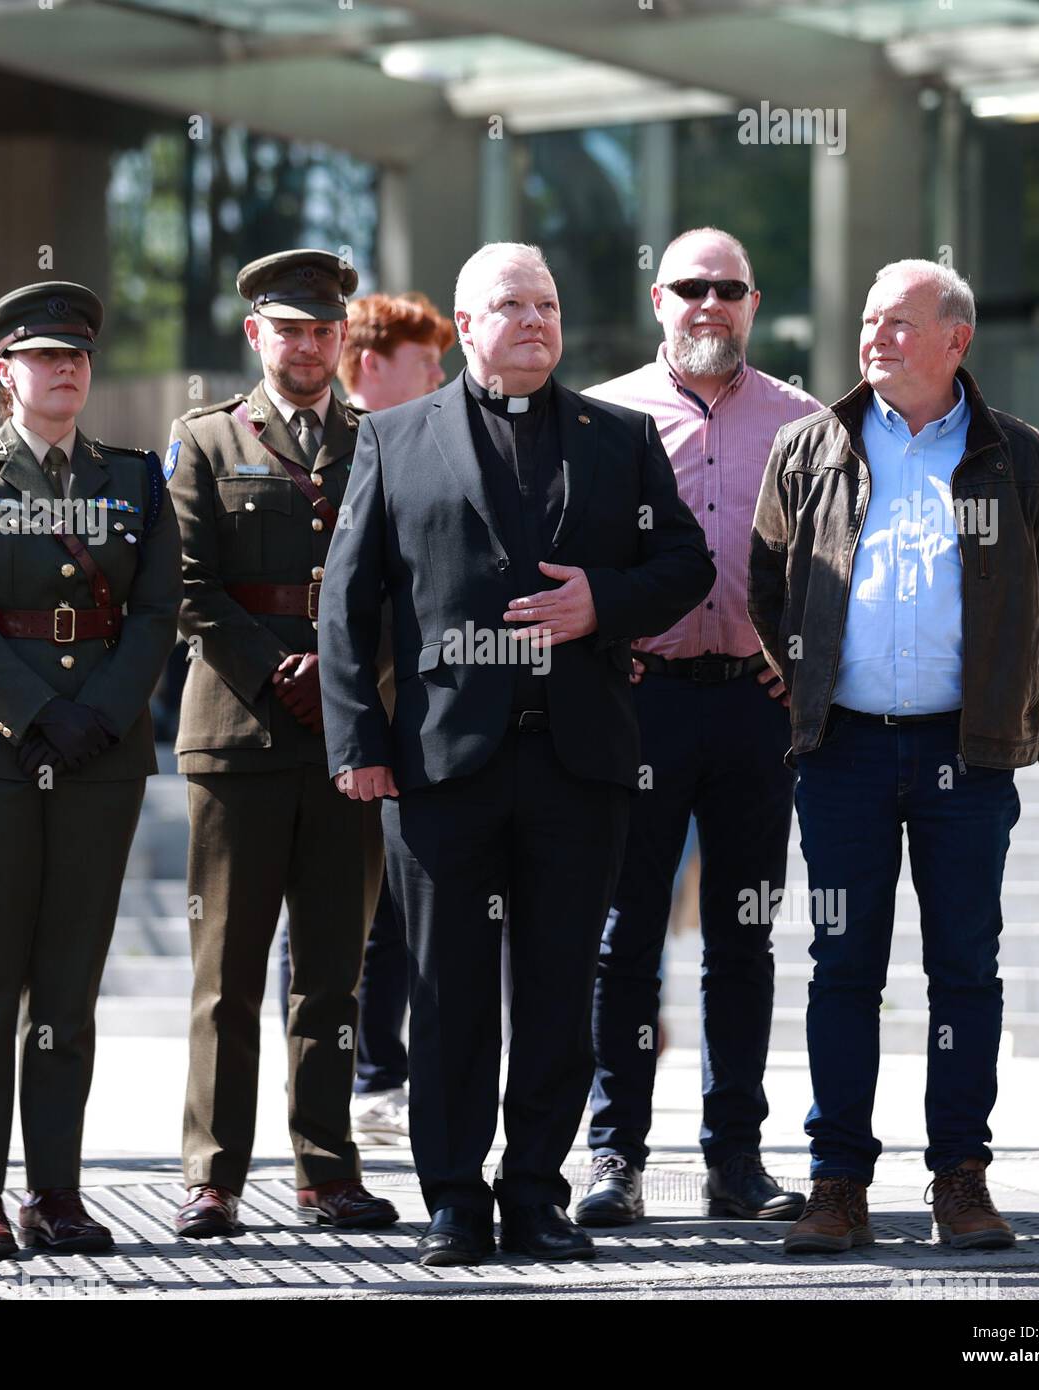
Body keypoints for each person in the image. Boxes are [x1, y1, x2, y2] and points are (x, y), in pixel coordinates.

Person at [318, 242, 715, 1266]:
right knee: (445, 993)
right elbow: (346, 601)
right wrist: (357, 739)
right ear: (464, 322)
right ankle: (453, 1195)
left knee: (555, 989)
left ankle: (534, 1191)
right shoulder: (395, 439)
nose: (535, 319)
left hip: (578, 765)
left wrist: (604, 602)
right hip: (441, 767)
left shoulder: (619, 439)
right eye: (511, 304)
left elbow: (684, 562)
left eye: (547, 302)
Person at [747, 259, 1039, 1253]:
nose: (875, 338)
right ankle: (836, 1182)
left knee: (963, 972)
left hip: (967, 757)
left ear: (955, 339)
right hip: (841, 750)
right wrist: (809, 681)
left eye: (899, 323)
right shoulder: (811, 448)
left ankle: (960, 1180)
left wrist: (990, 693)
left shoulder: (1019, 457)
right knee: (840, 967)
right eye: (868, 321)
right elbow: (769, 586)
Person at [0, 281, 182, 1259]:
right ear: (5, 371)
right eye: (43, 354)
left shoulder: (136, 481)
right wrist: (36, 713)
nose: (65, 368)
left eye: (78, 354)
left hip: (98, 755)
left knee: (68, 983)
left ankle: (55, 1191)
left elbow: (155, 611)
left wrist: (98, 714)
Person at [575, 227, 818, 1228]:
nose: (709, 302)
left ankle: (736, 1162)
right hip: (643, 708)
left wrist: (802, 660)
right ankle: (613, 1157)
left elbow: (834, 560)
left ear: (754, 302)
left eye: (728, 288)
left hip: (757, 716)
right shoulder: (605, 416)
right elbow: (569, 552)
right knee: (625, 935)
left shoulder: (804, 422)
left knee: (744, 937)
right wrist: (601, 647)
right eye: (691, 287)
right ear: (658, 299)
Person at [167, 249, 396, 1239]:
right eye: (287, 329)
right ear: (255, 334)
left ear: (343, 338)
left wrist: (343, 681)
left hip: (346, 739)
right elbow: (181, 582)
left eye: (322, 330)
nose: (306, 346)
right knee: (227, 974)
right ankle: (212, 1175)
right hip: (237, 735)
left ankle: (327, 1171)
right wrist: (276, 668)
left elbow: (408, 584)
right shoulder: (204, 439)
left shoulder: (385, 441)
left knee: (333, 973)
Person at [277, 290, 456, 1144]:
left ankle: (380, 1070)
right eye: (427, 364)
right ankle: (339, 1083)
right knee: (323, 921)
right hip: (299, 712)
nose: (442, 378)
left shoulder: (425, 448)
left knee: (386, 910)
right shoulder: (319, 446)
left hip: (402, 716)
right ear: (372, 364)